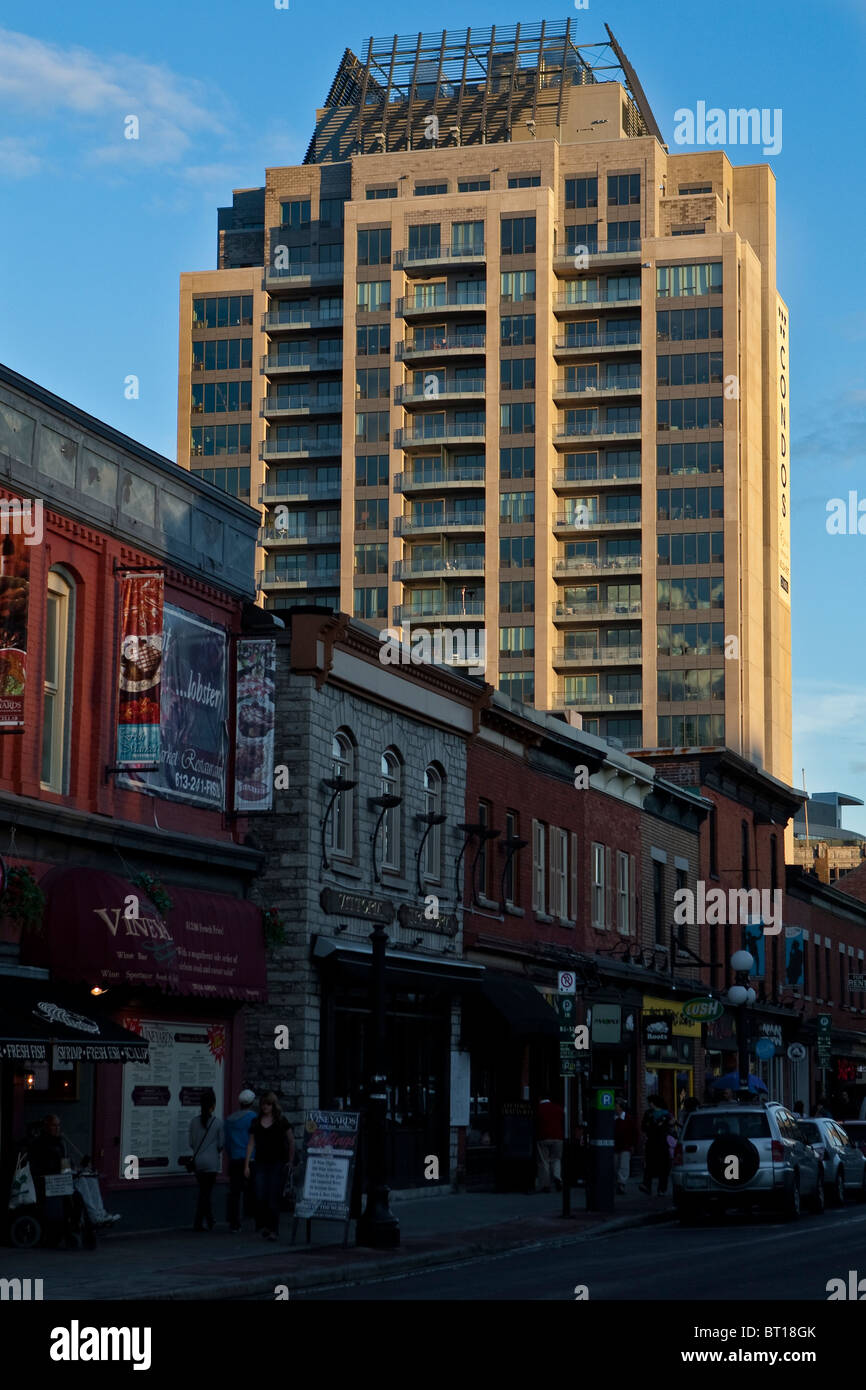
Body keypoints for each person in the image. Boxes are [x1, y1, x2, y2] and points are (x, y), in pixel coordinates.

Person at [28, 1114, 96, 1250]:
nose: (57, 1128)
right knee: (78, 1197)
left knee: (88, 1181)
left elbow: (65, 1161)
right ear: (46, 1126)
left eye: (58, 1125)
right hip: (49, 1181)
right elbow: (41, 1165)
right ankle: (86, 1219)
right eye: (54, 1125)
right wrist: (63, 1168)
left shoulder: (61, 1142)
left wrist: (74, 1168)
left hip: (62, 1179)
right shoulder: (39, 1143)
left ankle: (95, 1213)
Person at [244, 1092, 294, 1240]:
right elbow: (251, 1143)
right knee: (260, 1195)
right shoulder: (256, 1121)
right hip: (260, 1162)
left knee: (273, 1196)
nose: (265, 1106)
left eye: (268, 1104)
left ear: (273, 1105)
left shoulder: (281, 1121)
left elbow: (291, 1141)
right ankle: (265, 1224)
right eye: (263, 1104)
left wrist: (290, 1161)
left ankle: (273, 1229)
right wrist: (246, 1164)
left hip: (277, 1163)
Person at [188, 1088, 223, 1232]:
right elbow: (221, 1145)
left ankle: (209, 1220)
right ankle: (199, 1222)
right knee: (206, 1193)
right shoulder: (218, 1123)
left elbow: (191, 1143)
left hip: (197, 1162)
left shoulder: (193, 1122)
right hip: (211, 1162)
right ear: (213, 1105)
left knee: (204, 1191)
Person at [224, 1089, 257, 1233]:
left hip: (235, 1158)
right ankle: (255, 1219)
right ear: (252, 1102)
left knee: (234, 1192)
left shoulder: (230, 1119)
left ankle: (234, 1222)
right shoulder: (253, 1118)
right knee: (254, 1190)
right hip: (250, 1159)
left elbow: (226, 1142)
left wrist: (231, 1154)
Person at [639, 1095, 672, 1197]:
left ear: (654, 1103)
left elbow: (667, 1127)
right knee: (649, 1165)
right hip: (652, 1143)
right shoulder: (648, 1113)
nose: (649, 1104)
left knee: (663, 1167)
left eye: (650, 1102)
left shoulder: (666, 1114)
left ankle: (661, 1189)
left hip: (661, 1143)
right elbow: (643, 1127)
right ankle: (647, 1185)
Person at [535, 1096, 565, 1194]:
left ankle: (545, 1184)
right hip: (558, 1137)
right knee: (556, 1159)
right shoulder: (558, 1108)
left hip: (543, 1137)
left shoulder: (539, 1109)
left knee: (544, 1161)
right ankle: (557, 1177)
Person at [613, 1097, 638, 1194]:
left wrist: (632, 1145)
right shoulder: (613, 1119)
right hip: (615, 1146)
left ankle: (621, 1184)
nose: (615, 1107)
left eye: (616, 1105)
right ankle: (617, 1183)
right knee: (615, 1166)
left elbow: (634, 1133)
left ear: (621, 1107)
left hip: (625, 1146)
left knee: (623, 1166)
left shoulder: (628, 1119)